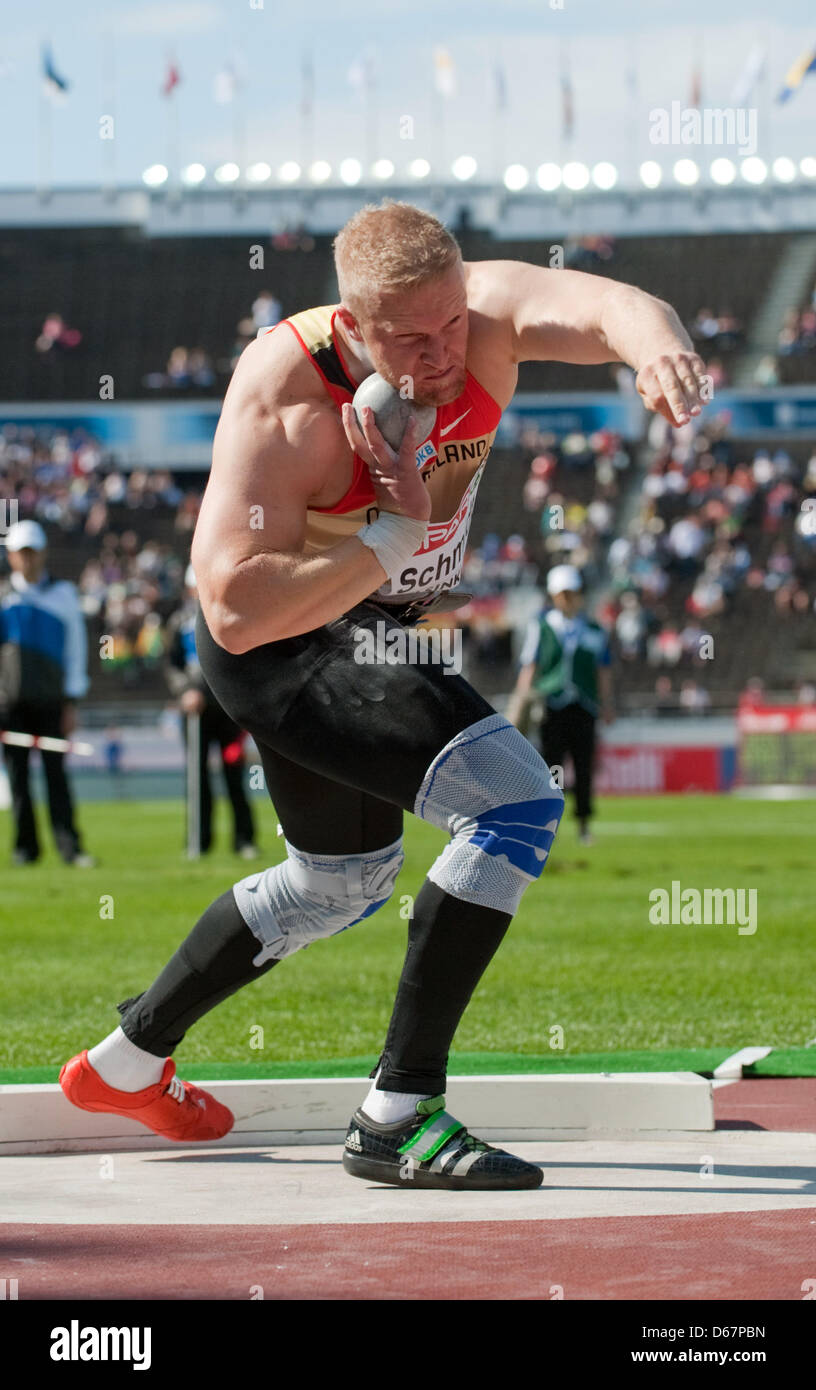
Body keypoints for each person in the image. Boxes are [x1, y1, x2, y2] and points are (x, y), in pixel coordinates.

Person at [60, 200, 708, 1189]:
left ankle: (126, 1061)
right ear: (354, 325)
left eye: (453, 323)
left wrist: (658, 345)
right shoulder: (286, 387)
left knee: (342, 884)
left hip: (374, 624)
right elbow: (231, 609)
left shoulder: (480, 314)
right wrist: (386, 546)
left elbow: (617, 303)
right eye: (412, 338)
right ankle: (398, 1112)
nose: (445, 352)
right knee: (518, 799)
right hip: (286, 641)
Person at [0, 520, 95, 866]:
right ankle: (26, 850)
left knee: (58, 778)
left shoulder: (64, 595)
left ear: (43, 553)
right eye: (21, 553)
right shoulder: (2, 598)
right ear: (11, 557)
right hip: (10, 705)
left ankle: (71, 848)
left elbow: (76, 650)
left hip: (53, 703)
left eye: (33, 552)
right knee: (19, 779)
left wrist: (71, 700)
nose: (28, 560)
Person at [508, 566, 614, 846]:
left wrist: (606, 704)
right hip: (550, 705)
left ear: (579, 595)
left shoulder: (594, 630)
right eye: (562, 594)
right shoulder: (540, 626)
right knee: (550, 766)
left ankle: (584, 824)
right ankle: (545, 825)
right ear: (554, 596)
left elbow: (602, 670)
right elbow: (531, 665)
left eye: (571, 594)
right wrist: (520, 700)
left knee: (584, 764)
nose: (566, 599)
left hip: (583, 705)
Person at [164, 565, 259, 860]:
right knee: (197, 777)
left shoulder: (231, 617)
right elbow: (171, 665)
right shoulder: (178, 622)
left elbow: (245, 659)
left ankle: (244, 841)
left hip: (230, 711)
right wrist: (184, 691)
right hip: (195, 712)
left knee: (234, 775)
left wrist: (239, 696)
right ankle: (198, 841)